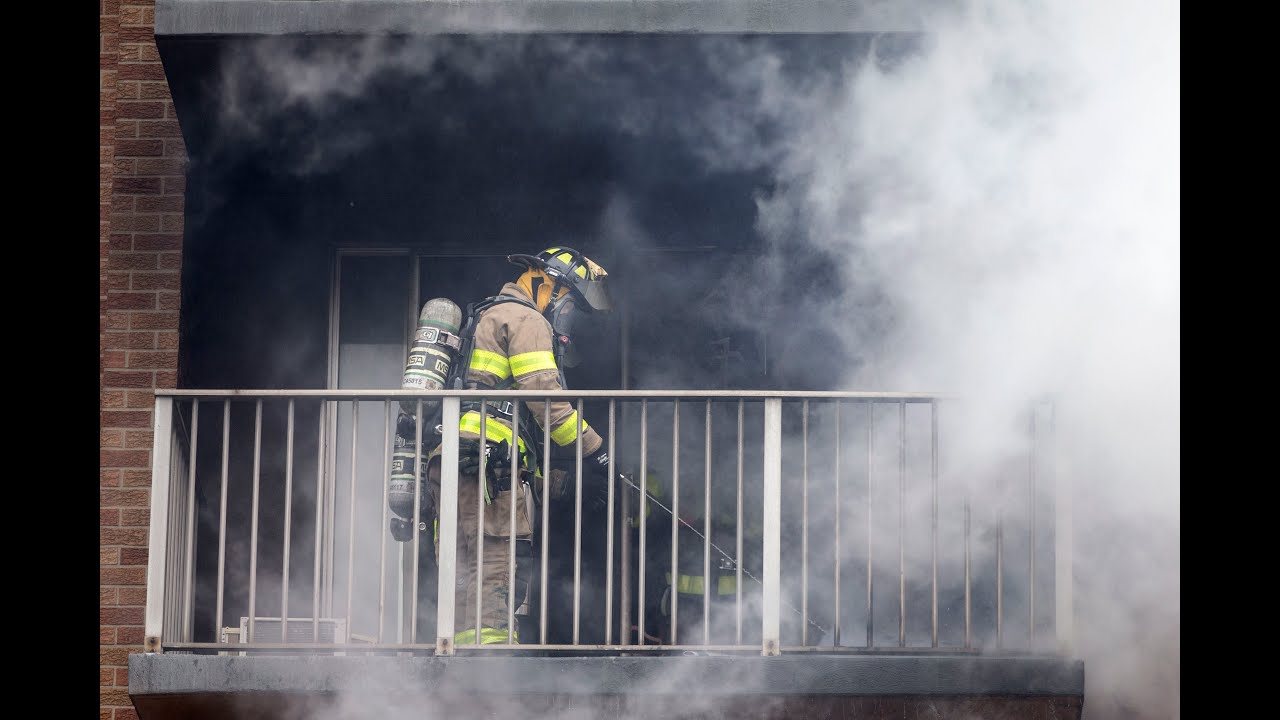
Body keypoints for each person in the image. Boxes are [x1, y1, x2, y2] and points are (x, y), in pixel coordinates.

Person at [422, 246, 615, 646]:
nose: (568, 316)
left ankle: (458, 659)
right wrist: (598, 451)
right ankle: (491, 666)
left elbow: (511, 438)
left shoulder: (484, 316)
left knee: (460, 570)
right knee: (496, 561)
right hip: (488, 466)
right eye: (570, 304)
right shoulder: (526, 318)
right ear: (547, 285)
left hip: (457, 459)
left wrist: (560, 484)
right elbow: (548, 406)